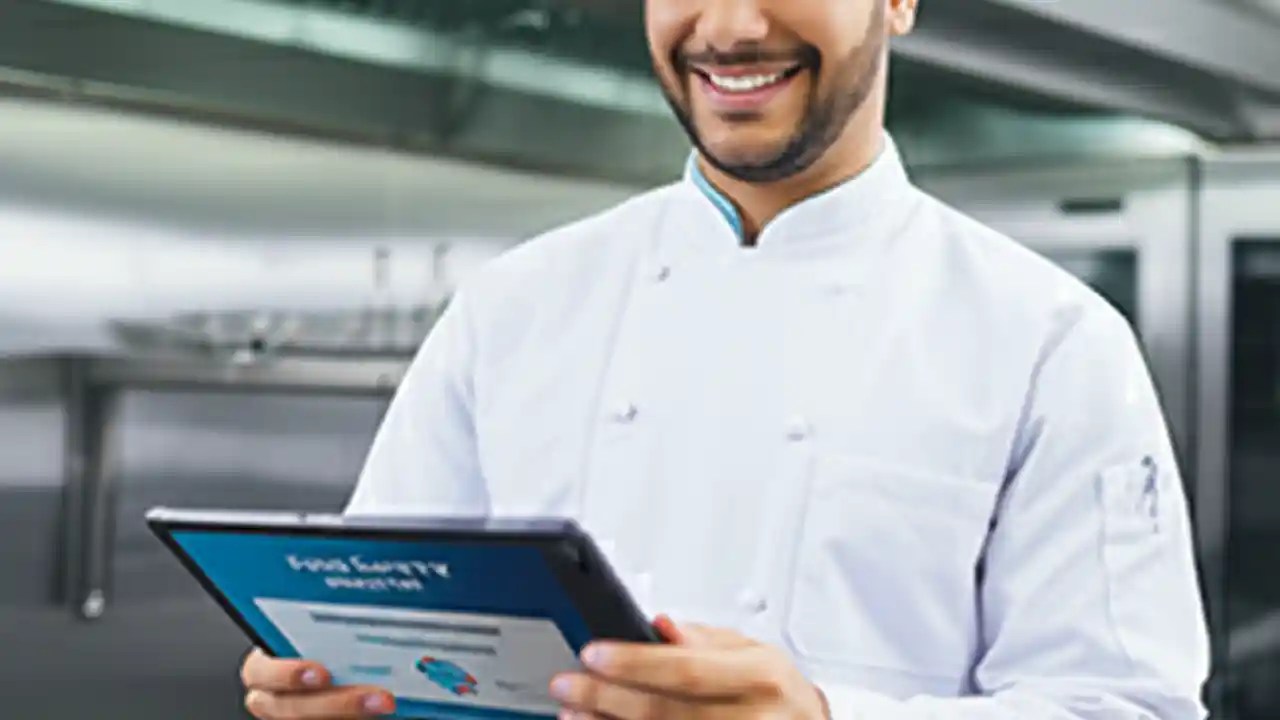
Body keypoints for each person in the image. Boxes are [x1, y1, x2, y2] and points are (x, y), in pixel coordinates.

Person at [239, 0, 1211, 717]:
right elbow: (388, 621)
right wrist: (333, 686)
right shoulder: (515, 304)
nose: (732, 26)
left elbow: (1127, 707)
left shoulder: (1047, 338)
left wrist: (826, 719)